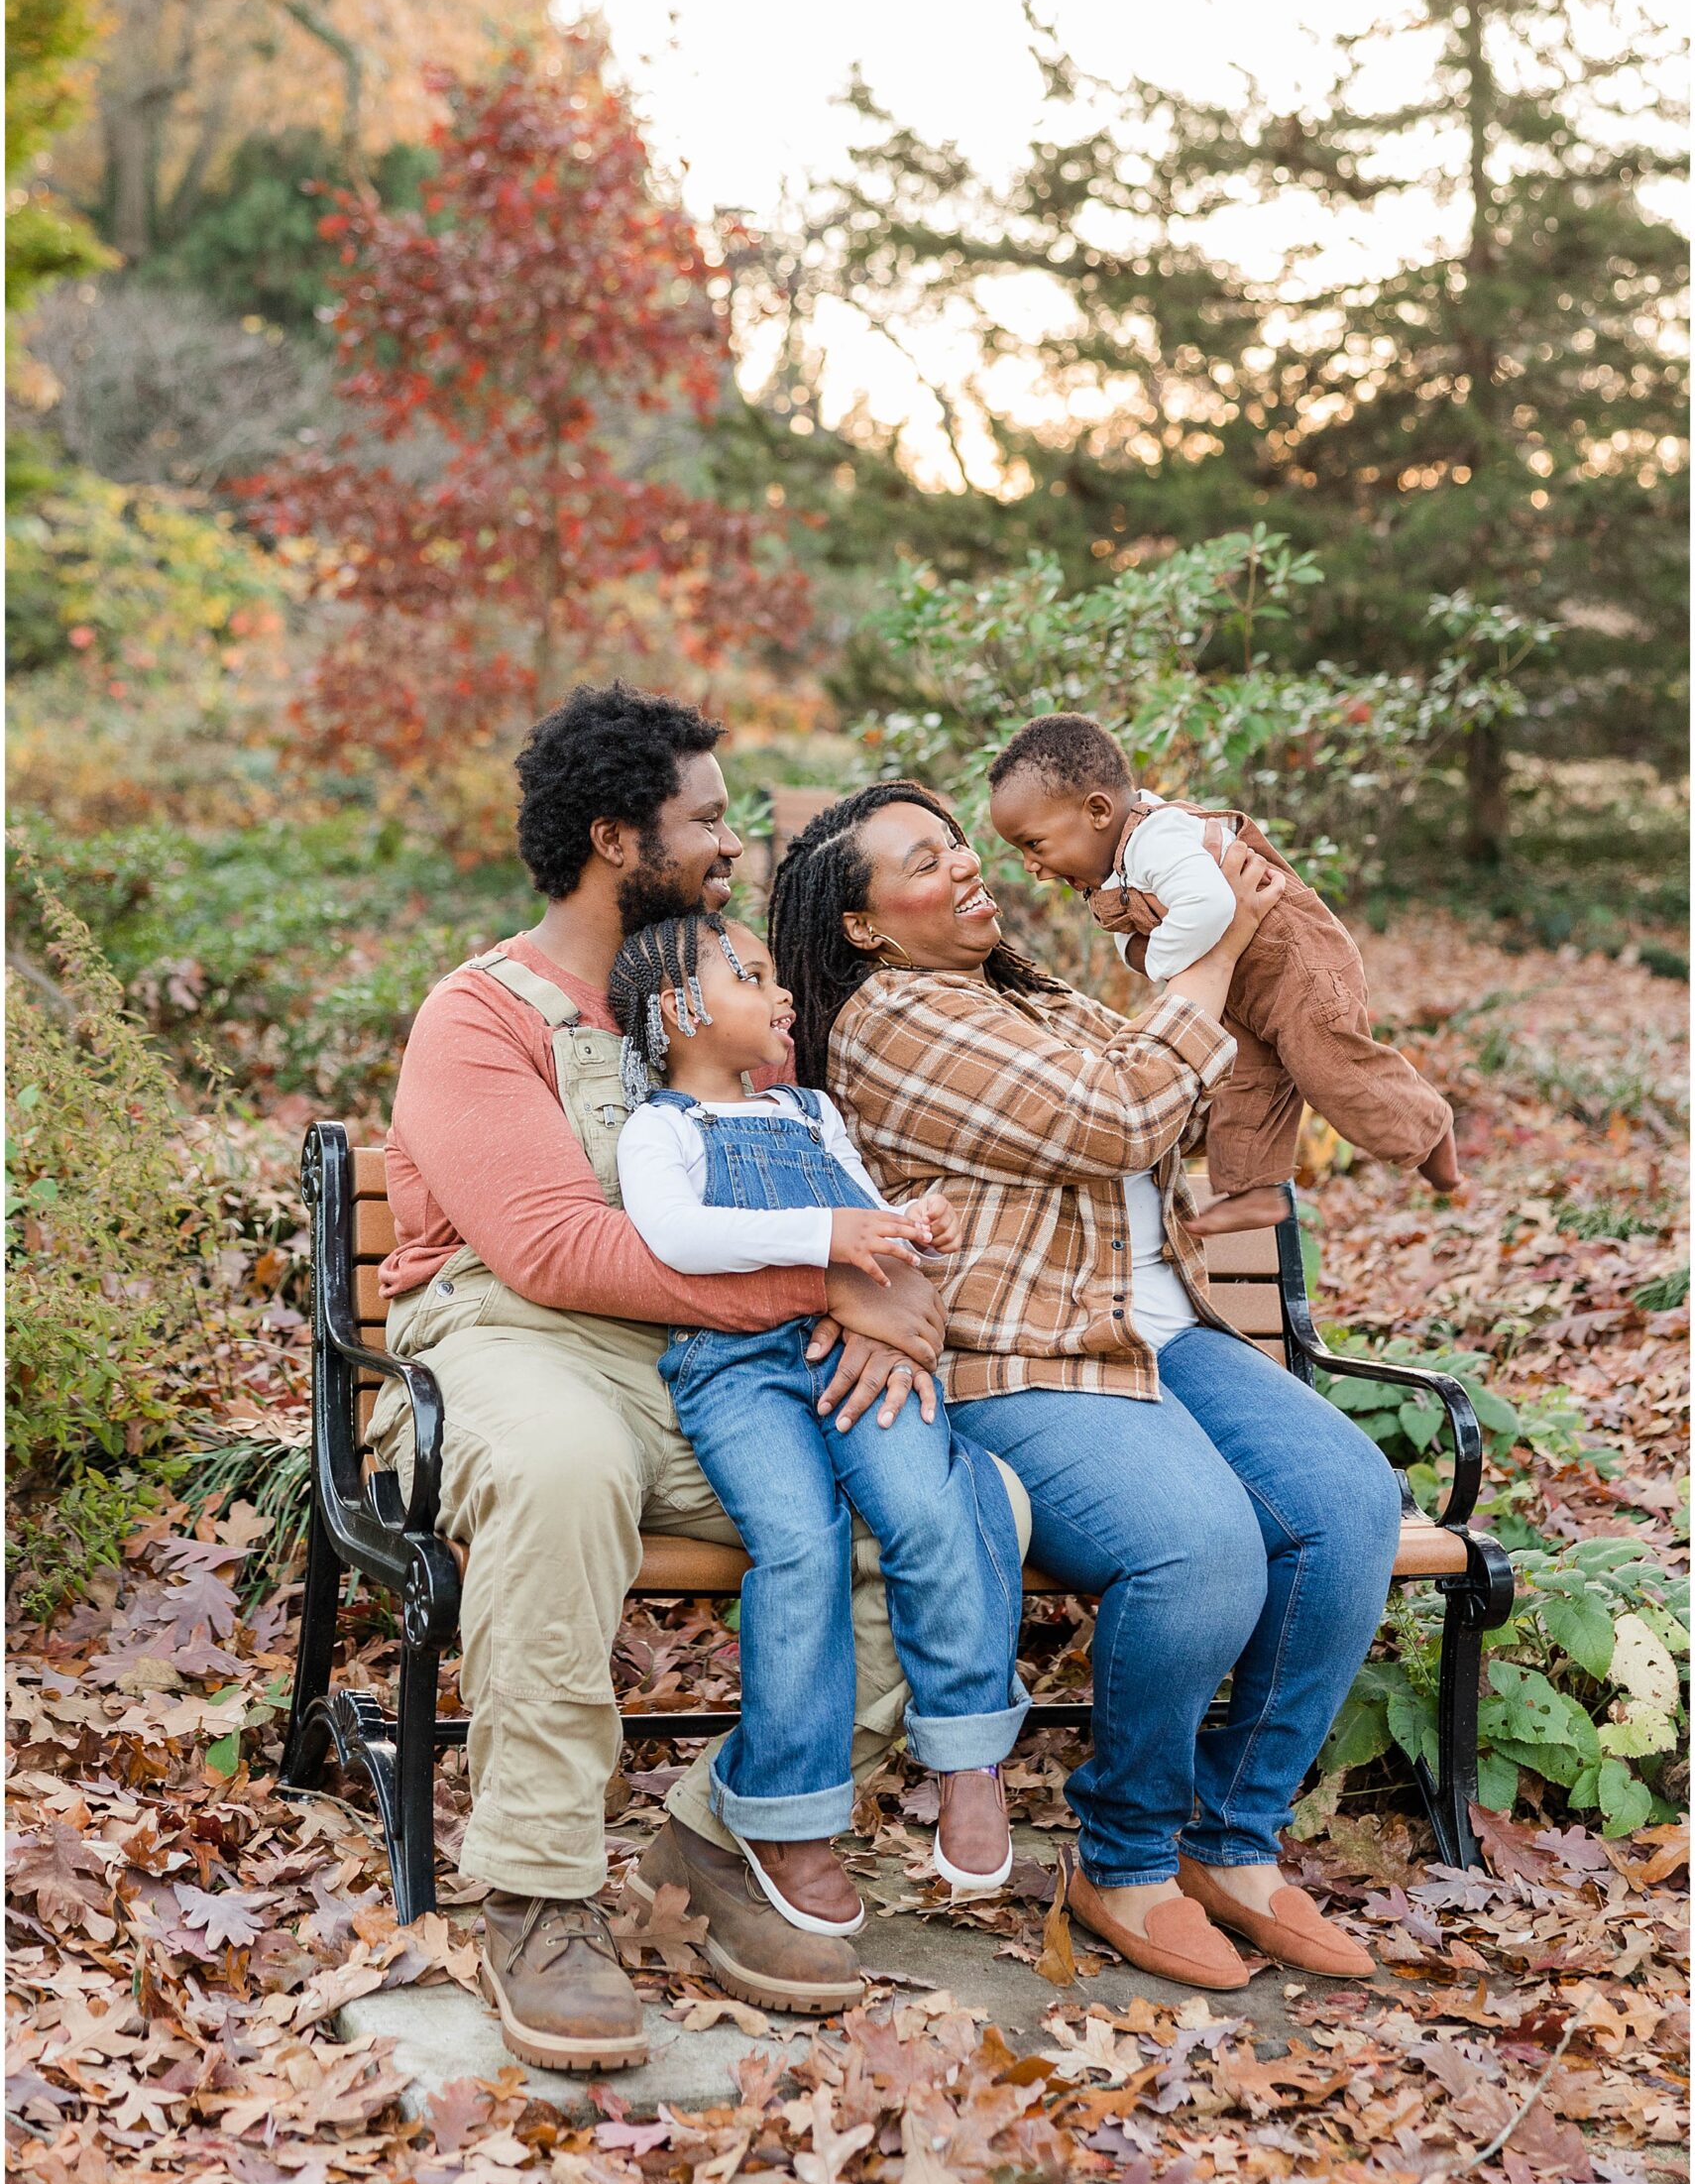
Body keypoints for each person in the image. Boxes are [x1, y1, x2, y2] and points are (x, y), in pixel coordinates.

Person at [368, 685, 1012, 2074]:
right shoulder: (480, 1018)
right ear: (614, 836)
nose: (734, 843)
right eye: (706, 819)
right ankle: (537, 1896)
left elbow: (832, 1191)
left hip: (719, 1371)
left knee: (967, 1505)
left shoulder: (723, 1006)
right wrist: (832, 1279)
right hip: (515, 1348)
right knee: (560, 1470)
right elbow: (552, 1247)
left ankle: (730, 1834)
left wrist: (882, 1299)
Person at [769, 779, 1403, 1992]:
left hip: (1158, 1325)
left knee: (1348, 1504)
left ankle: (1232, 1841)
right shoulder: (891, 1017)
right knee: (1199, 1545)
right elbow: (1119, 1116)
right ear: (861, 924)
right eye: (923, 860)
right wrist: (1211, 959)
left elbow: (1168, 1095)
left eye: (959, 844)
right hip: (1021, 1353)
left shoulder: (1018, 989)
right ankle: (1123, 1858)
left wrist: (1195, 945)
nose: (963, 865)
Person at [611, 909, 1028, 1933]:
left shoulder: (810, 1110)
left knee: (928, 1503)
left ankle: (969, 1748)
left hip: (853, 1354)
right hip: (738, 1372)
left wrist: (907, 1234)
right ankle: (788, 1810)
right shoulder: (660, 1129)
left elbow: (870, 1220)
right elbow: (676, 1234)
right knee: (801, 1543)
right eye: (751, 975)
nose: (783, 991)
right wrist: (830, 1239)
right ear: (682, 1009)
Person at [986, 713, 1462, 1238]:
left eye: (1033, 844)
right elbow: (1131, 944)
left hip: (1295, 966)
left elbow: (1210, 905)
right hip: (1243, 986)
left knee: (1329, 1068)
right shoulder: (1112, 871)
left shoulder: (1157, 837)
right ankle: (1253, 1189)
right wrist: (1150, 955)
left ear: (1098, 810)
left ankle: (1426, 1127)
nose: (1030, 865)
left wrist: (1167, 966)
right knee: (1241, 1082)